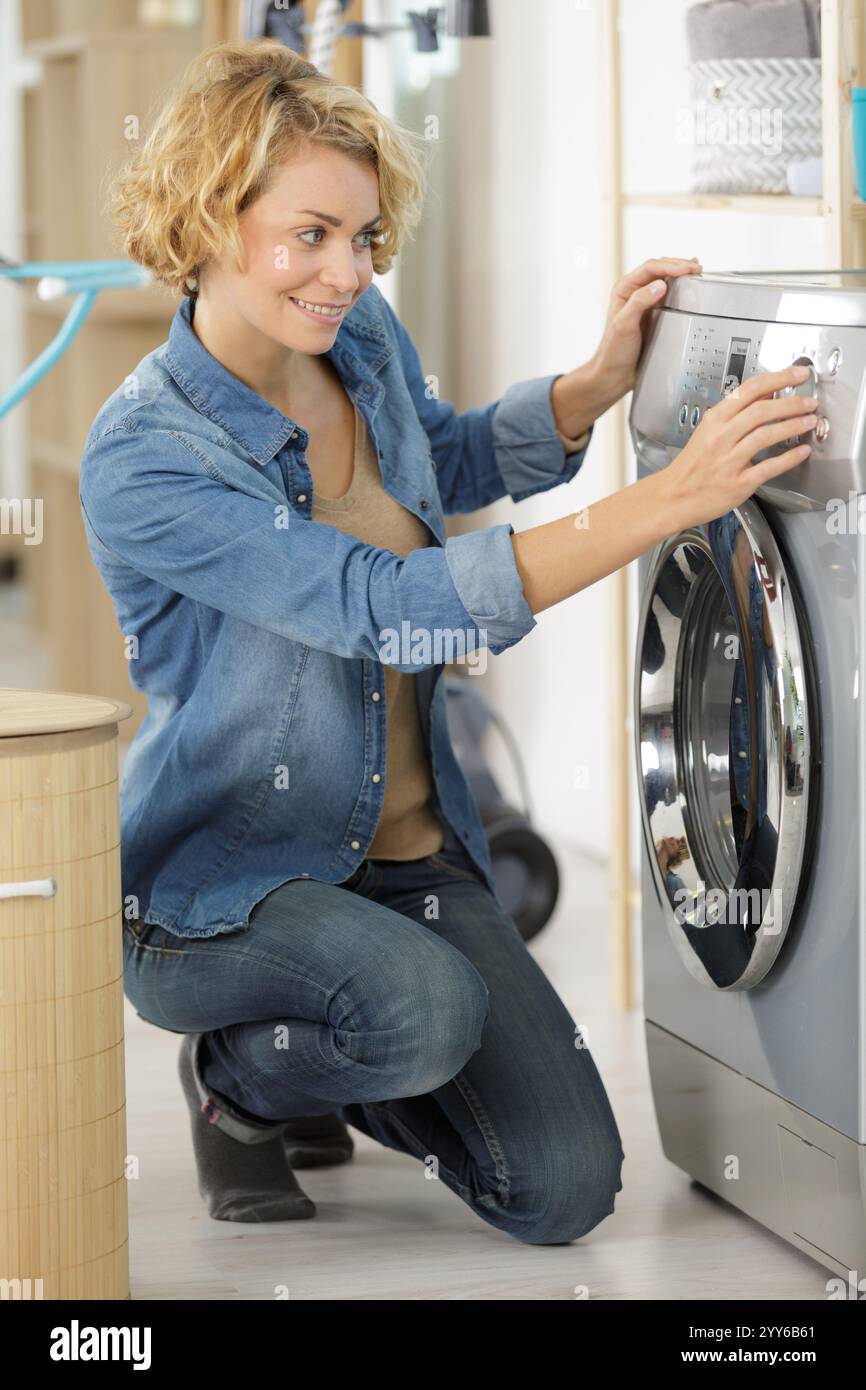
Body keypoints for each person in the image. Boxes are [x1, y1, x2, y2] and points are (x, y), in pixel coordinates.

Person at [79, 38, 819, 1245]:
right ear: (211, 213)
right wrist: (667, 500)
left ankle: (344, 1049)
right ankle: (244, 1086)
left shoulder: (354, 343)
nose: (347, 273)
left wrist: (589, 386)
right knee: (418, 1006)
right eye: (310, 233)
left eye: (363, 238)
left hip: (411, 860)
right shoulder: (145, 457)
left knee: (562, 1186)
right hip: (231, 887)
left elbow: (446, 460)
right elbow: (384, 599)